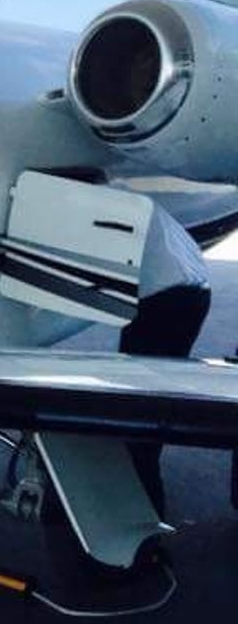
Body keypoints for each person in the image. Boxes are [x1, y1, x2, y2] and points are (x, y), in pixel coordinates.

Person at [122, 203, 211, 519]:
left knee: (137, 412)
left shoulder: (87, 203)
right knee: (148, 401)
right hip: (193, 288)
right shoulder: (134, 201)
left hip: (163, 296)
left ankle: (140, 516)